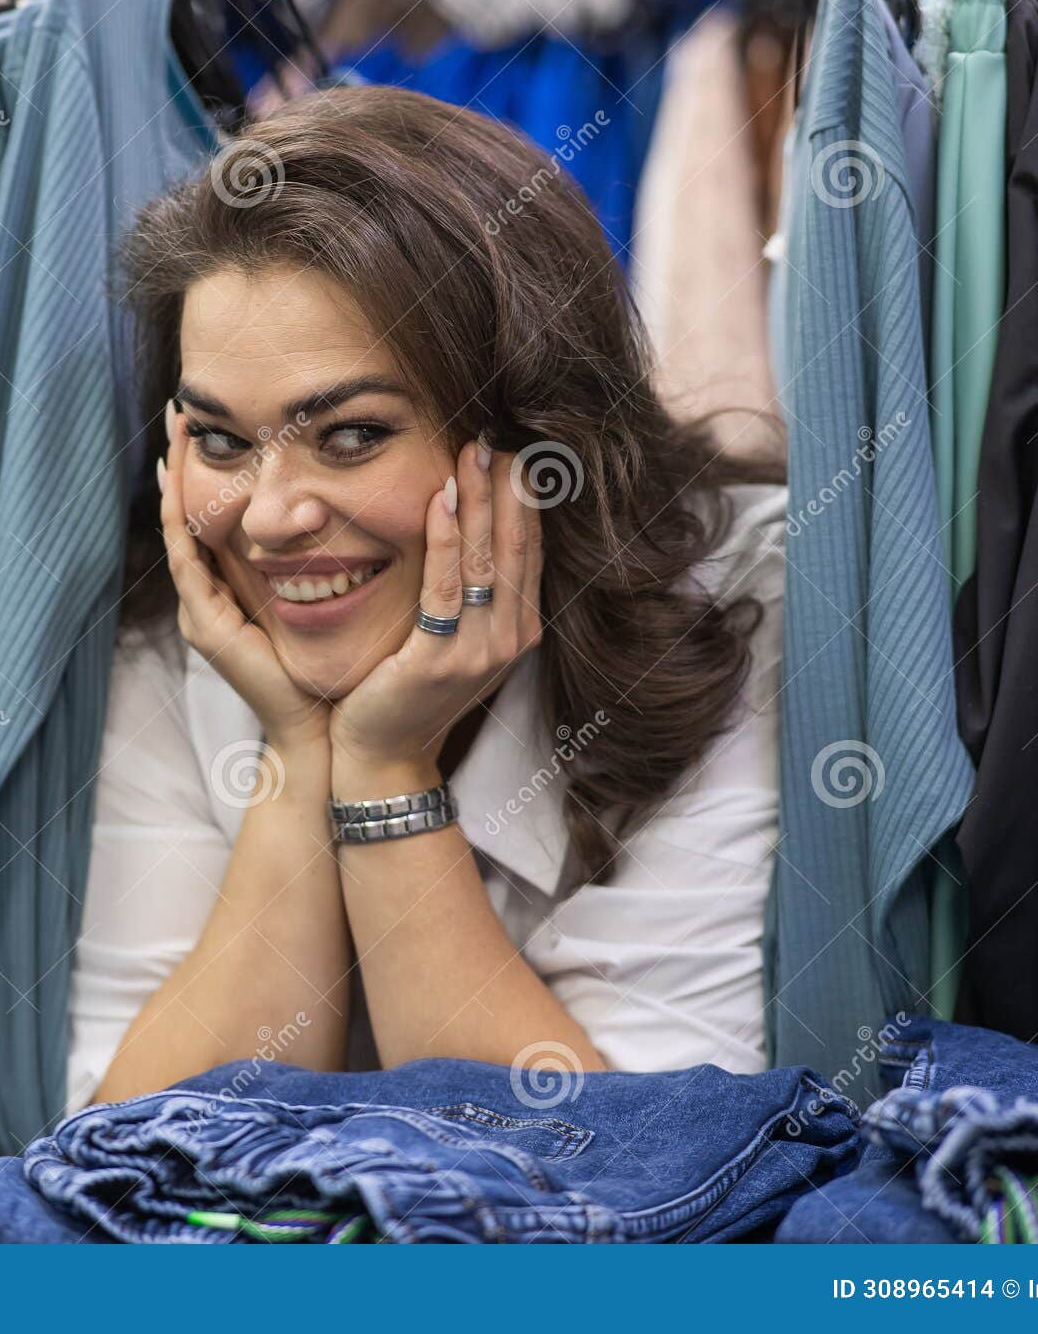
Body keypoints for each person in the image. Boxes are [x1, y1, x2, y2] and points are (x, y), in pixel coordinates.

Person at [69, 85, 786, 1110]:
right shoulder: (178, 633)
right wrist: (303, 755)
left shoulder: (736, 606)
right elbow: (130, 1167)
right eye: (220, 441)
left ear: (536, 441)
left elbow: (628, 1189)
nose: (268, 519)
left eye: (350, 435)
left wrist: (385, 770)